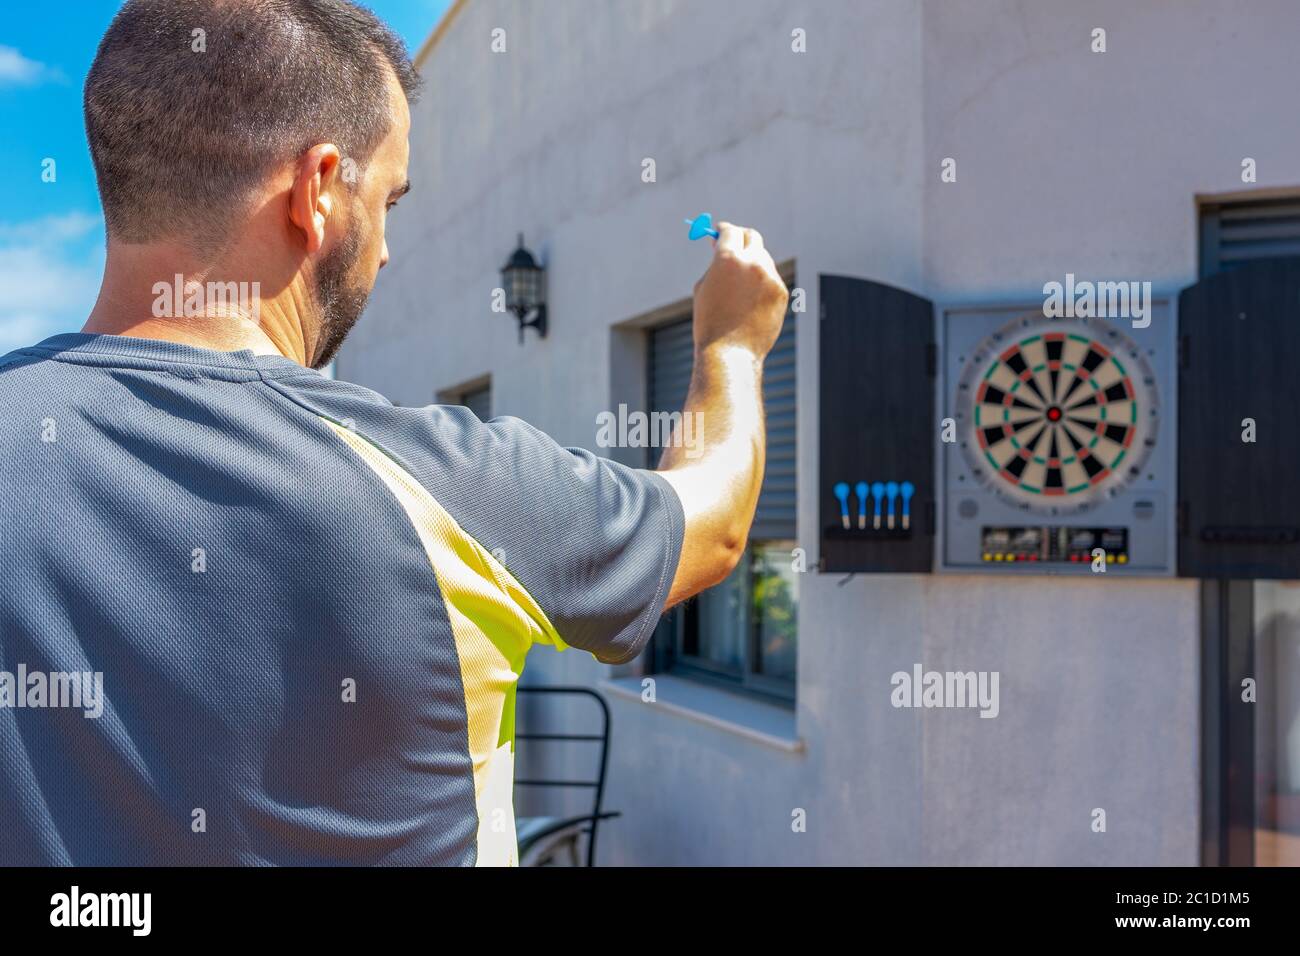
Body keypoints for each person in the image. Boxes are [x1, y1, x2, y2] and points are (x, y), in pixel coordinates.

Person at [0, 0, 789, 866]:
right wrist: (730, 347)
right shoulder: (450, 487)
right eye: (391, 200)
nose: (385, 252)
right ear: (319, 192)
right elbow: (709, 526)